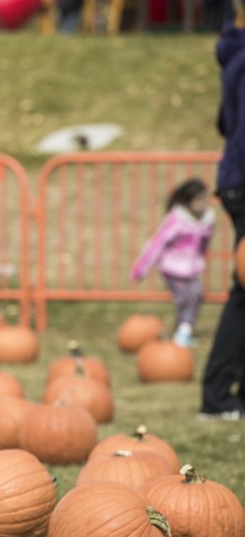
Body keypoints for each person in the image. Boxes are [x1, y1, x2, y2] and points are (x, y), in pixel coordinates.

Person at [200, 16, 245, 421]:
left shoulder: (235, 51)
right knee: (244, 289)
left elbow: (223, 122)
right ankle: (216, 395)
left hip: (236, 178)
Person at [130, 178, 214, 348]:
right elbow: (157, 243)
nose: (202, 203)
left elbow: (205, 243)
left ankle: (183, 329)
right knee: (187, 298)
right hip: (173, 268)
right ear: (188, 201)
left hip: (192, 268)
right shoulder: (176, 220)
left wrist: (200, 258)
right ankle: (183, 331)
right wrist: (141, 267)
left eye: (204, 198)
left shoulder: (207, 220)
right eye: (198, 199)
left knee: (196, 296)